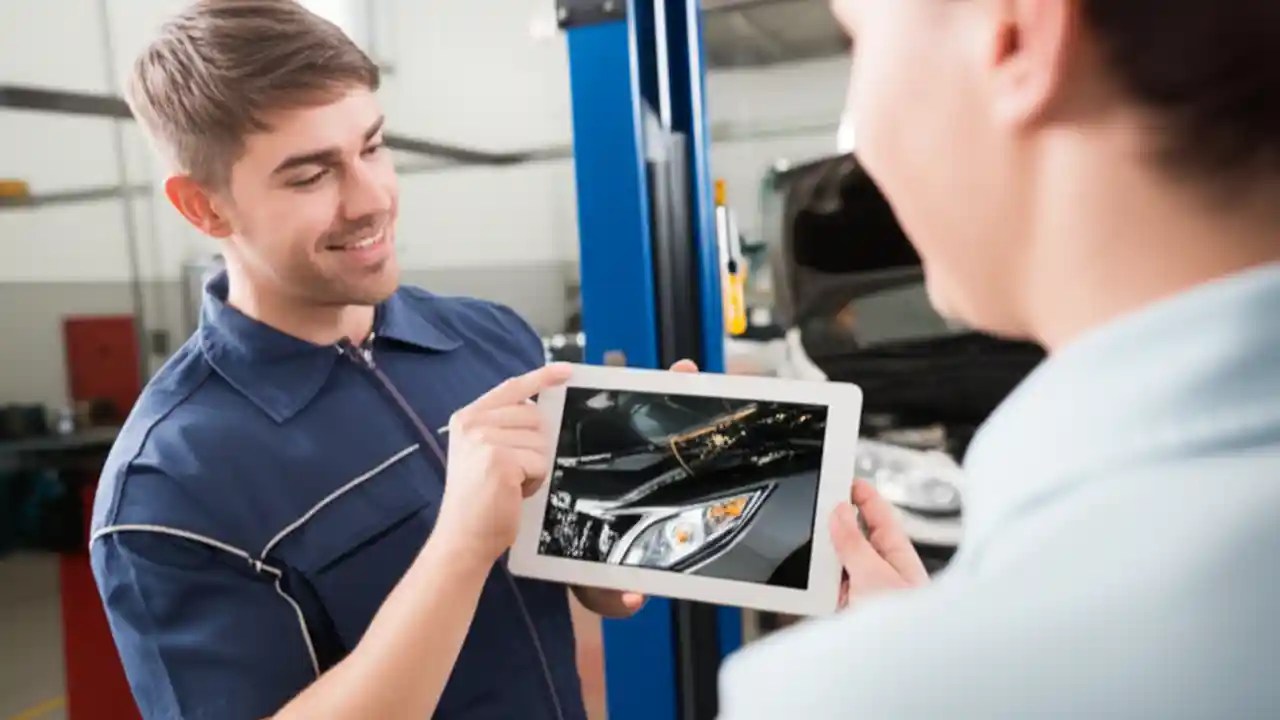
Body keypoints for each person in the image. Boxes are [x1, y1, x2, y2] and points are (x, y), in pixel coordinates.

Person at [89, 2, 679, 718]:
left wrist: (650, 492)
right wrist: (460, 546)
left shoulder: (490, 340)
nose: (372, 200)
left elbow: (596, 584)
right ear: (205, 209)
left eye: (371, 147)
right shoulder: (169, 488)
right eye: (311, 176)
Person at [720, 0, 1280, 716]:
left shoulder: (843, 698)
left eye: (859, 37)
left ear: (1017, 35)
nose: (861, 136)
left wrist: (917, 670)